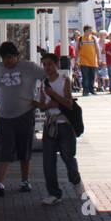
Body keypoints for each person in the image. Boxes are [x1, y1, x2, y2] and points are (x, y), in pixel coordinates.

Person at [0, 41, 44, 196]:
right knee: (5, 149)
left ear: (17, 56)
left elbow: (47, 78)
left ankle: (25, 180)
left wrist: (39, 98)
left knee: (24, 149)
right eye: (4, 58)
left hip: (25, 114)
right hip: (4, 117)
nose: (7, 61)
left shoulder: (29, 67)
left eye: (10, 57)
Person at [37, 51, 86, 205]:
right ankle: (54, 193)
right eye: (44, 65)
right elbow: (42, 106)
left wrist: (53, 96)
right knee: (48, 161)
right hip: (50, 123)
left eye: (50, 64)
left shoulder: (64, 80)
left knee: (68, 157)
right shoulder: (43, 83)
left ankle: (77, 182)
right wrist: (46, 104)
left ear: (57, 64)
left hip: (64, 124)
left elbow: (68, 103)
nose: (47, 68)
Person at [76, 26, 99, 96]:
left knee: (92, 76)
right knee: (85, 76)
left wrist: (99, 58)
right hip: (84, 61)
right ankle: (85, 91)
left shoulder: (93, 38)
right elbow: (77, 50)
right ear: (85, 31)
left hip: (92, 61)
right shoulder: (80, 39)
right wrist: (76, 60)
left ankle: (91, 89)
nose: (91, 31)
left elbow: (97, 49)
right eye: (89, 30)